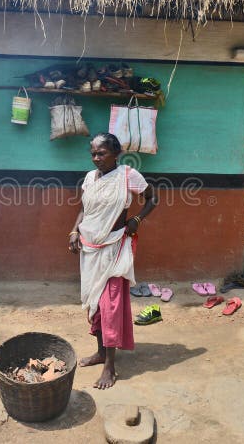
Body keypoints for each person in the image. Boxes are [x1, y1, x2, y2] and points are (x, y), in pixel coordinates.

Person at [68, 133, 157, 390]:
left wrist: (137, 220)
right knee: (95, 304)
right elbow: (84, 209)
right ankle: (100, 353)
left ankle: (110, 366)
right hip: (90, 249)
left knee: (110, 305)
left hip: (116, 246)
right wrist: (74, 231)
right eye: (93, 153)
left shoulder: (128, 176)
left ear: (116, 153)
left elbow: (153, 198)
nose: (96, 158)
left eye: (101, 153)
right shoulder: (89, 178)